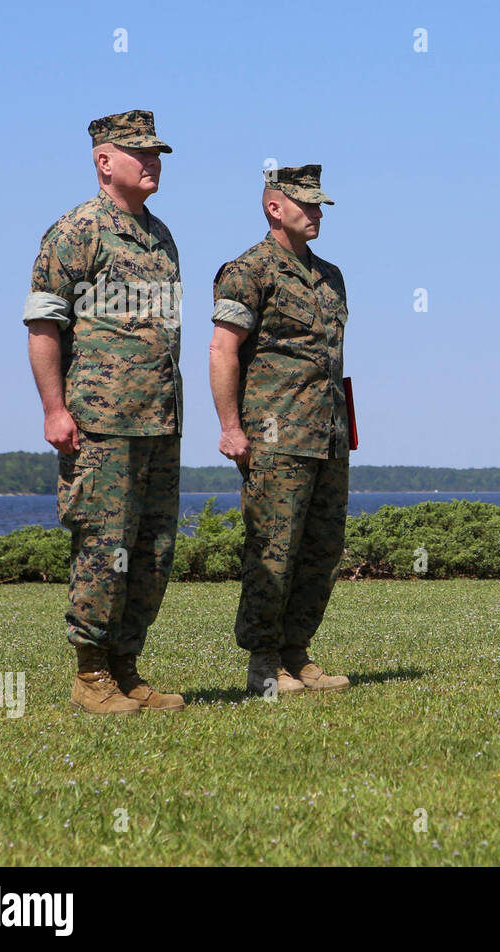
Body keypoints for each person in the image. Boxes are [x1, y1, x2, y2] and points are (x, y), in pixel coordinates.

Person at [24, 109, 185, 714]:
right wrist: (54, 410)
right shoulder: (76, 231)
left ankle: (126, 667)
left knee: (152, 549)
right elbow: (43, 324)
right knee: (103, 544)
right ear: (104, 161)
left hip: (160, 421)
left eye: (157, 153)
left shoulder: (161, 235)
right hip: (100, 423)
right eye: (140, 153)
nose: (153, 162)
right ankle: (90, 676)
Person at [209, 165, 352, 696]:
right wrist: (230, 427)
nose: (316, 213)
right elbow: (223, 351)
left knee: (322, 548)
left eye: (320, 206)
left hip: (328, 435)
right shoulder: (248, 270)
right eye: (307, 204)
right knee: (273, 548)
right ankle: (264, 663)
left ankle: (298, 653)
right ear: (275, 207)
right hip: (274, 436)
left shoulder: (330, 275)